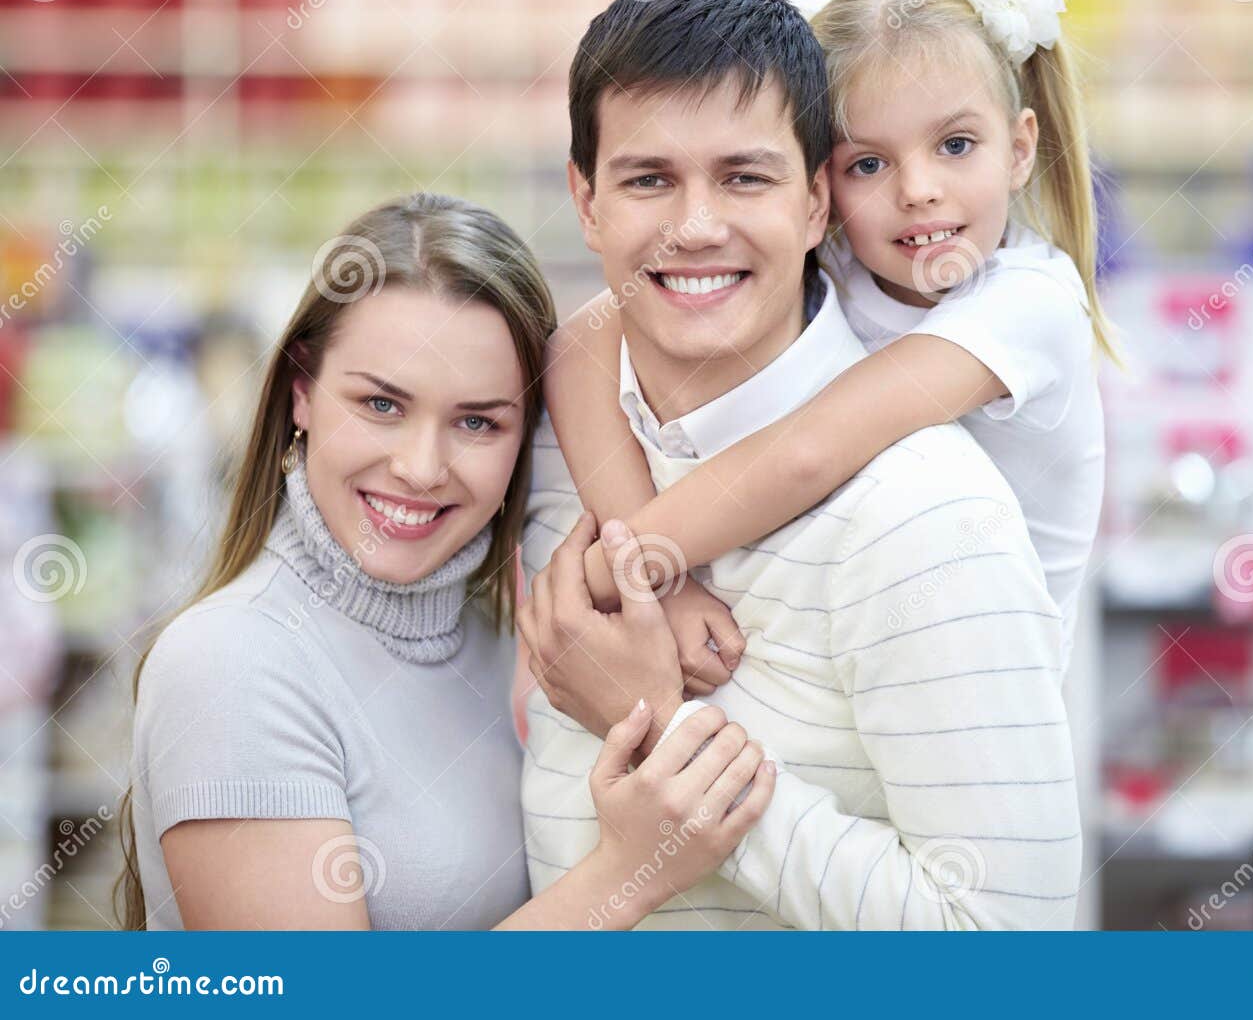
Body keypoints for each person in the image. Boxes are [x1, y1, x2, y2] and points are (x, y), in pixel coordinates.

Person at [517, 0, 1081, 930]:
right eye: (649, 178)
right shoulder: (565, 452)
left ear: (816, 202)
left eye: (745, 176)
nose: (697, 227)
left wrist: (666, 727)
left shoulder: (927, 514)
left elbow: (1008, 947)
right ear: (586, 200)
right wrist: (644, 560)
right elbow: (576, 344)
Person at [119, 193, 771, 931]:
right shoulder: (227, 665)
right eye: (382, 406)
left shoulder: (494, 637)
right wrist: (626, 873)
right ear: (302, 392)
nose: (422, 468)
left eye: (476, 421)